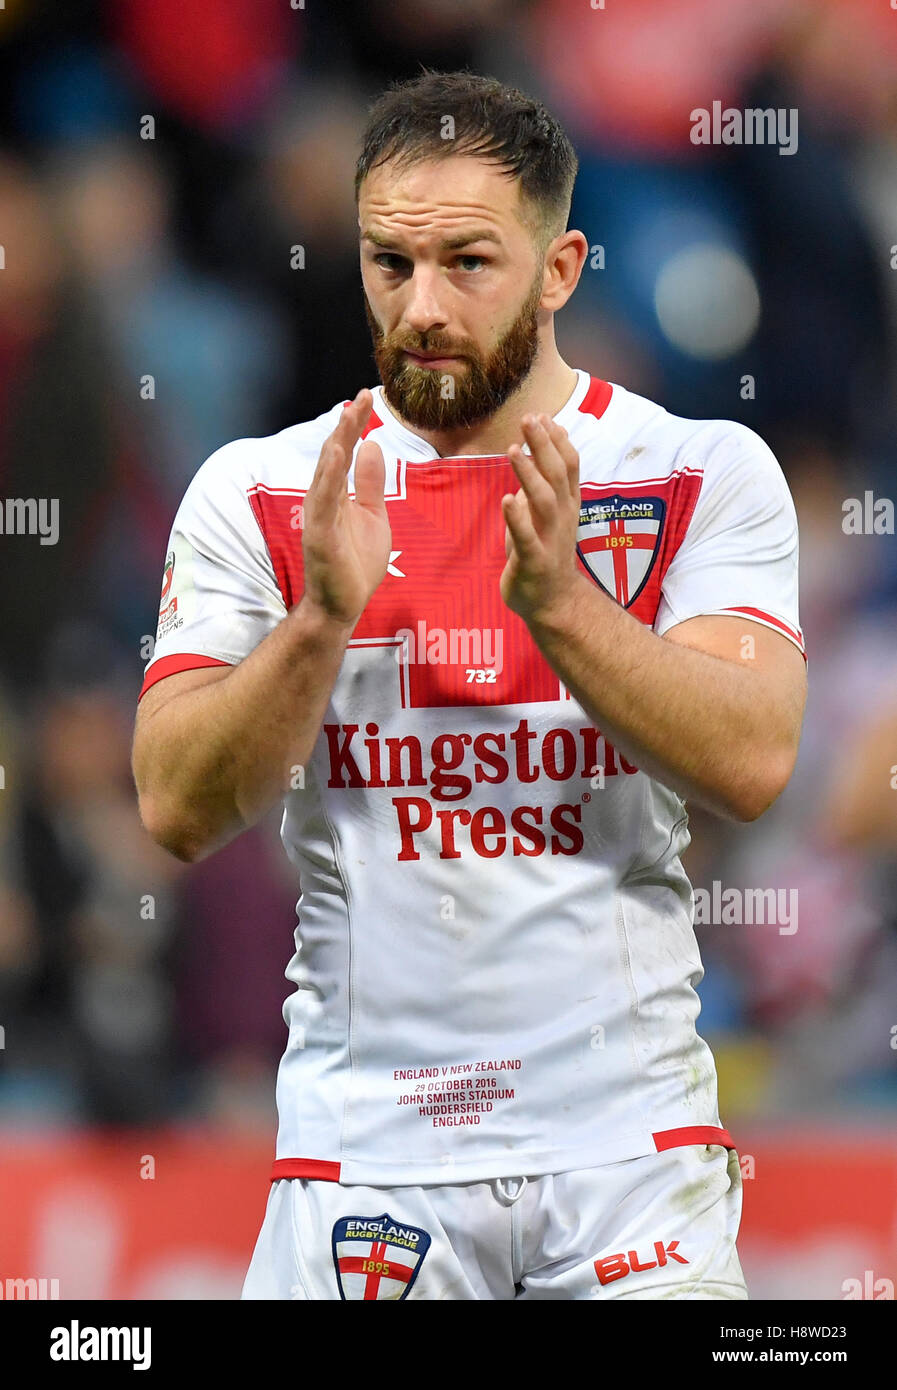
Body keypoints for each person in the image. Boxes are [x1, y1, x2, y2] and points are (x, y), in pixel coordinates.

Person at [132, 71, 807, 1300]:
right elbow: (176, 805)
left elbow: (755, 757)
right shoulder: (267, 491)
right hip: (363, 1162)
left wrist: (566, 613)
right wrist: (321, 622)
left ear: (560, 270)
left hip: (627, 1154)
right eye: (390, 264)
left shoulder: (696, 471)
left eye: (468, 263)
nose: (423, 306)